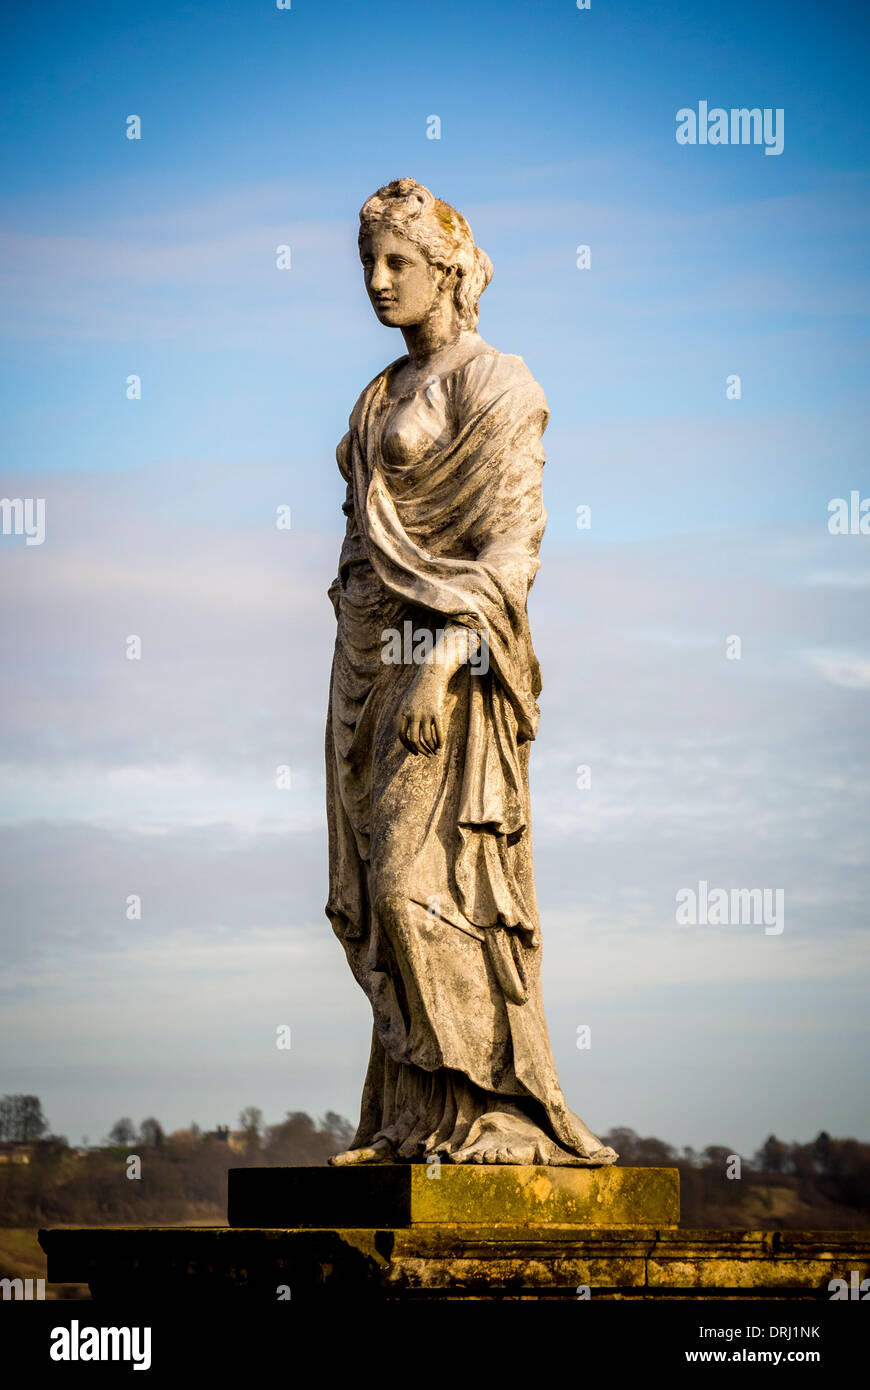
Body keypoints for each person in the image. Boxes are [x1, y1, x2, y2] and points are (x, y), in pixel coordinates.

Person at [325, 178, 617, 1167]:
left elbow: (512, 547)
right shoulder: (377, 394)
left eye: (396, 262)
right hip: (362, 662)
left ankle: (499, 1104)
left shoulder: (501, 384)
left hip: (442, 667)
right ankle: (414, 1116)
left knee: (426, 884)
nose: (376, 280)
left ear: (447, 269)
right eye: (367, 262)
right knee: (373, 894)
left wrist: (441, 662)